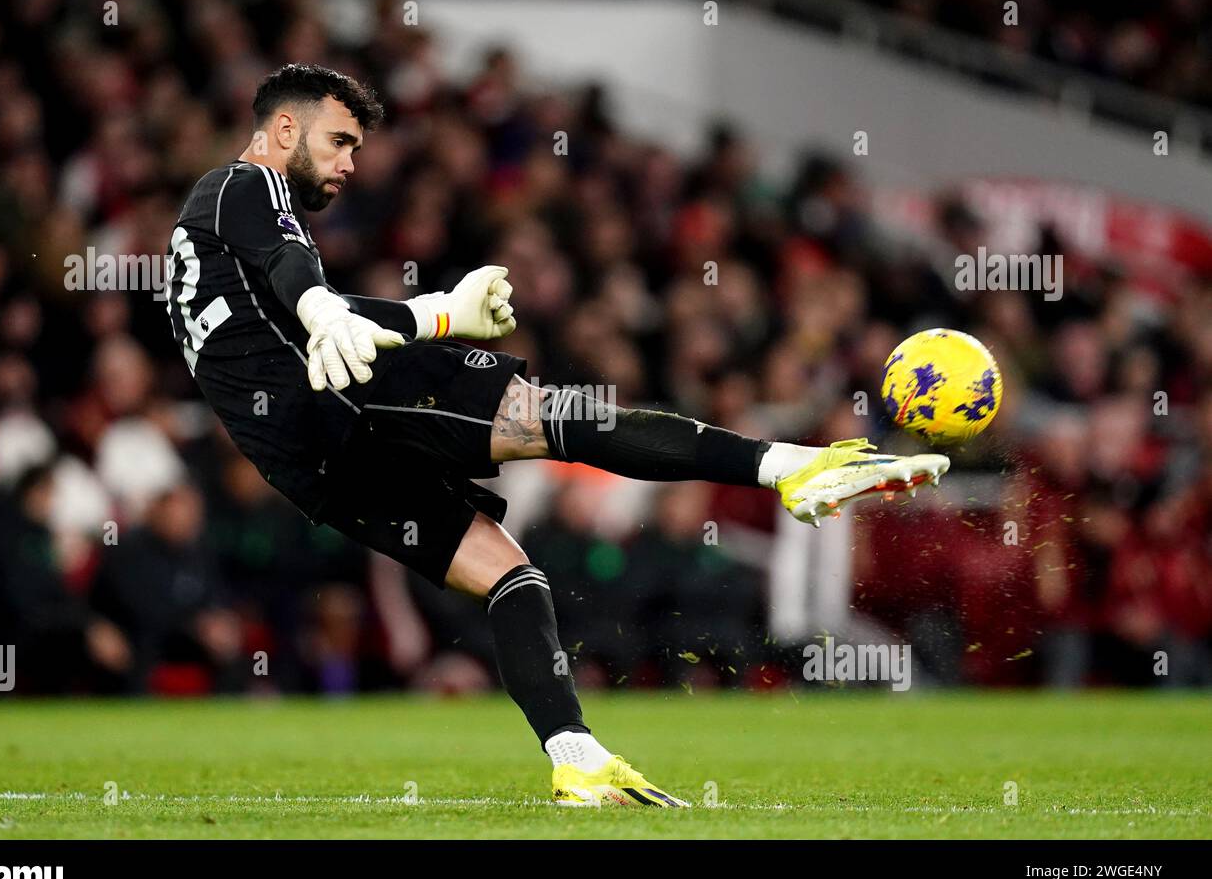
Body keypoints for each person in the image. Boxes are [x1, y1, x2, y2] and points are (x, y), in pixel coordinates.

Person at [164, 63, 950, 808]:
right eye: (339, 141)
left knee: (513, 577)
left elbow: (283, 304)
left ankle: (575, 759)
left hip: (306, 462)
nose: (350, 164)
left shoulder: (202, 232)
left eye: (358, 149)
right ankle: (789, 466)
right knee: (565, 419)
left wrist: (435, 314)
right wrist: (324, 311)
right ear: (280, 131)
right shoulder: (242, 182)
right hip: (346, 402)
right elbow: (292, 272)